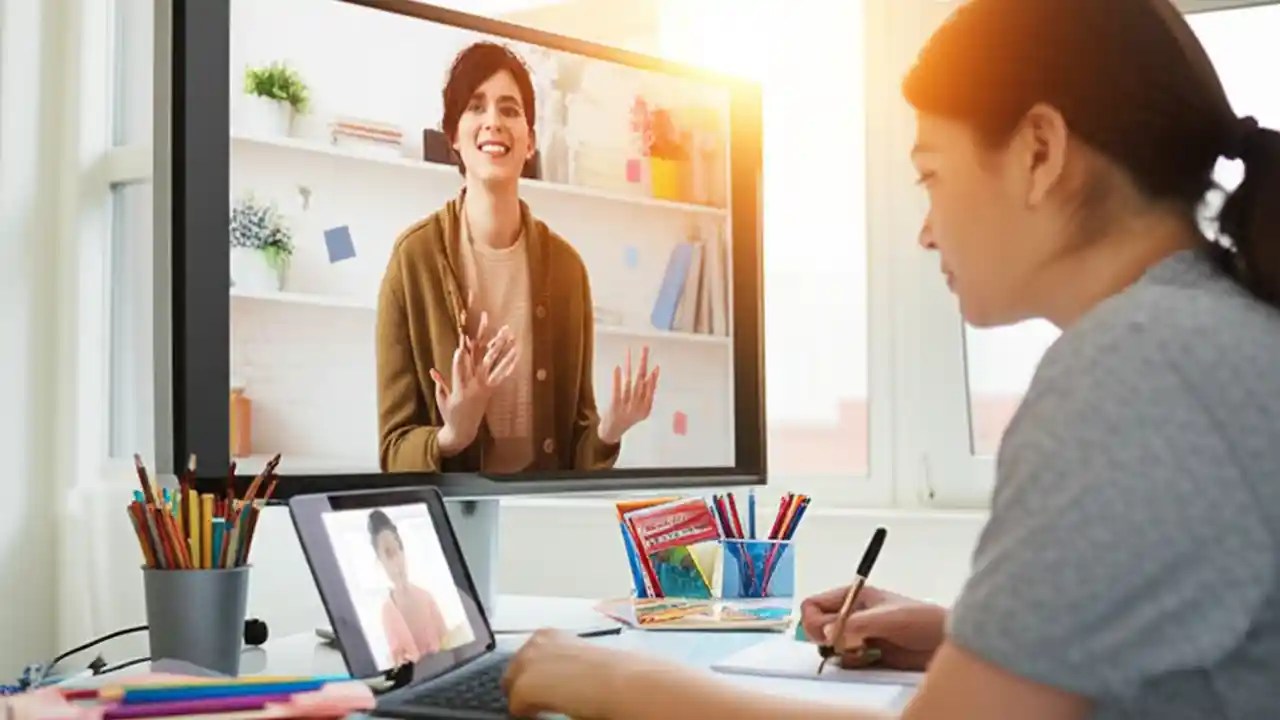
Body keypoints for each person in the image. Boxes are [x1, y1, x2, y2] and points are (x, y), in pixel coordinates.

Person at [499, 0, 1280, 717]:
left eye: (932, 177)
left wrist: (616, 683)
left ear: (1039, 152)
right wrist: (961, 637)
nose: (927, 230)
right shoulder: (1211, 331)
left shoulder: (1134, 372)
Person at [376, 41, 659, 473]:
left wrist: (609, 432)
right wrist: (453, 435)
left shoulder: (567, 269)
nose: (494, 121)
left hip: (540, 515)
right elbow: (393, 451)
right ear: (452, 134)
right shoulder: (412, 260)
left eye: (510, 110)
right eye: (476, 107)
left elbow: (576, 449)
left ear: (530, 141)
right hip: (455, 517)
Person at [368, 509, 450, 666]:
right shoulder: (387, 612)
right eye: (388, 553)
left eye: (398, 549)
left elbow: (448, 643)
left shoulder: (426, 597)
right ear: (380, 562)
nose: (397, 560)